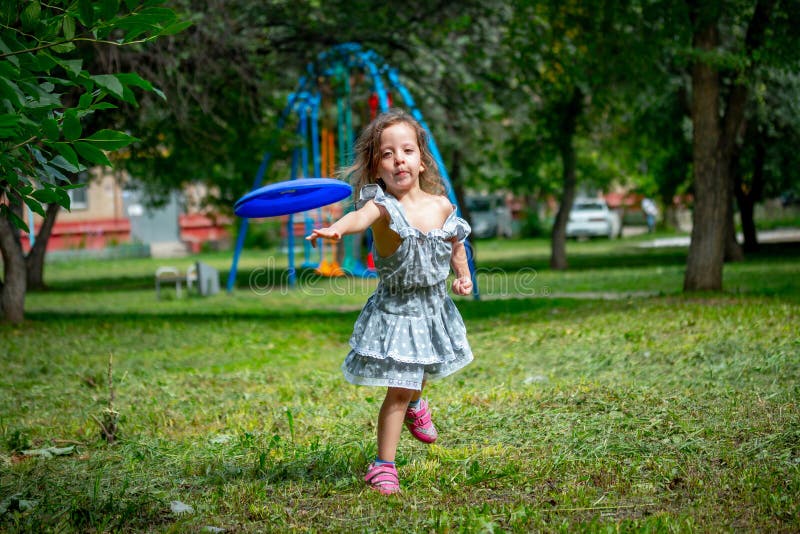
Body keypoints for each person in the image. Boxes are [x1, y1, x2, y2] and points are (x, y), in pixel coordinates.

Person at [306, 109, 474, 495]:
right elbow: (358, 219)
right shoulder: (382, 207)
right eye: (387, 154)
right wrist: (335, 229)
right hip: (397, 311)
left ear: (421, 160)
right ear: (376, 167)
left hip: (433, 308)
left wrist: (462, 275)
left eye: (407, 150)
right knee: (399, 387)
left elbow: (456, 241)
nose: (399, 159)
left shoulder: (441, 205)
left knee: (420, 368)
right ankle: (383, 465)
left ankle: (416, 404)